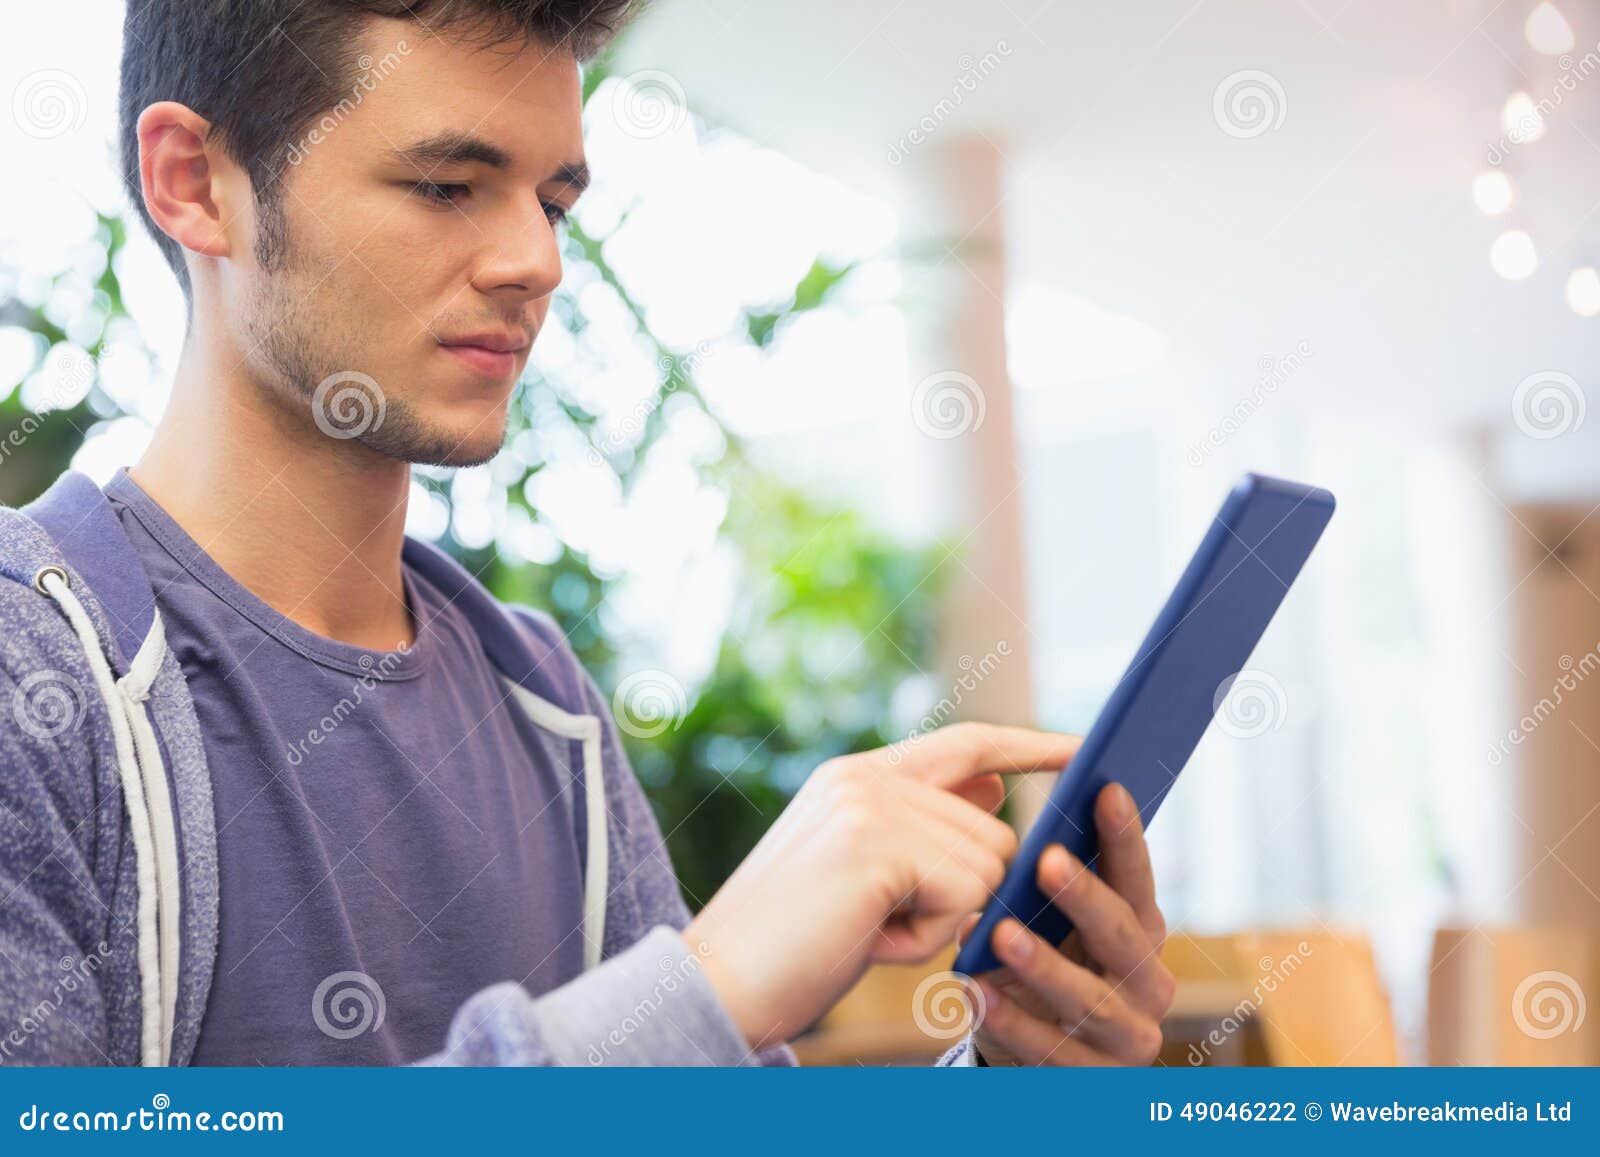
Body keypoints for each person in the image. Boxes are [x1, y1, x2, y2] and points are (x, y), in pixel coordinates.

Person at [0, 0, 1174, 1067]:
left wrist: (1007, 1080)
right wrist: (704, 987)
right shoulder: (36, 670)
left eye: (552, 201)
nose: (535, 262)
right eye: (447, 186)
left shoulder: (535, 695)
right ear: (195, 181)